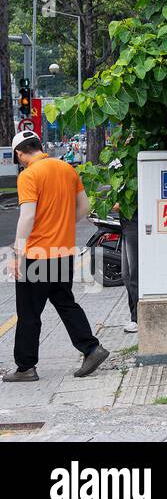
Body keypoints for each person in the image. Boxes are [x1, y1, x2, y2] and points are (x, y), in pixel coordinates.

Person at [3, 131, 109, 382]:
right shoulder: (66, 169)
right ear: (39, 146)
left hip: (37, 254)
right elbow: (84, 207)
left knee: (29, 312)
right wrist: (61, 225)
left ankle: (25, 367)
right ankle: (92, 349)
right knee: (64, 302)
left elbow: (27, 216)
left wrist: (17, 252)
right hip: (63, 251)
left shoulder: (29, 175)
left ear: (20, 153)